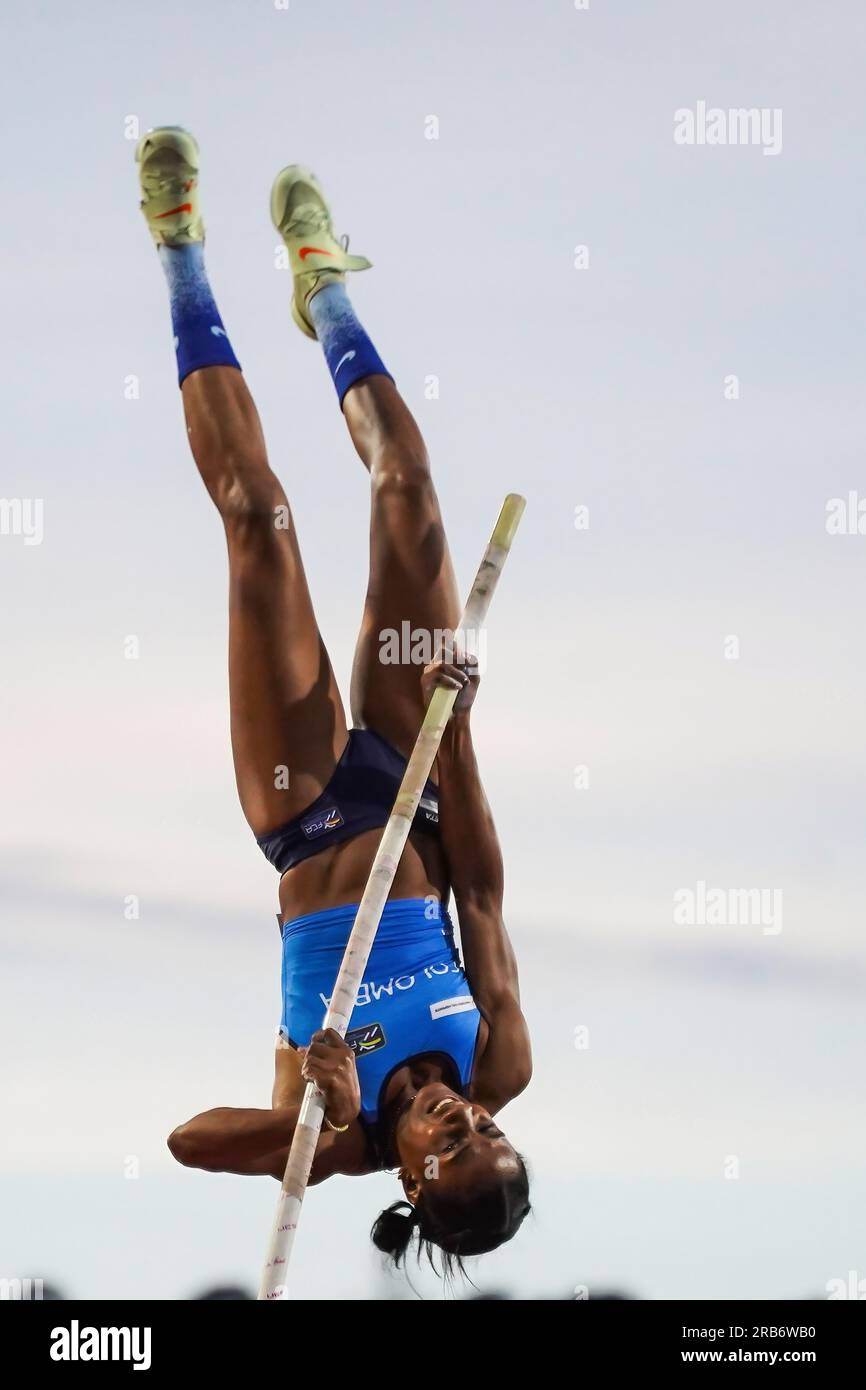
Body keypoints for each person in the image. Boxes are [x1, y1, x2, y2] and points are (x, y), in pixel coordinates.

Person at [136, 128, 532, 1269]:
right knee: (407, 489)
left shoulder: (334, 1138)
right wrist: (455, 727)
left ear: (414, 1178)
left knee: (259, 521)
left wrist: (314, 1097)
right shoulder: (495, 1057)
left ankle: (180, 256)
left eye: (459, 1148)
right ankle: (323, 291)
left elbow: (187, 1140)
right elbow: (486, 893)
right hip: (412, 783)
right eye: (490, 1132)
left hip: (303, 804)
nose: (472, 1118)